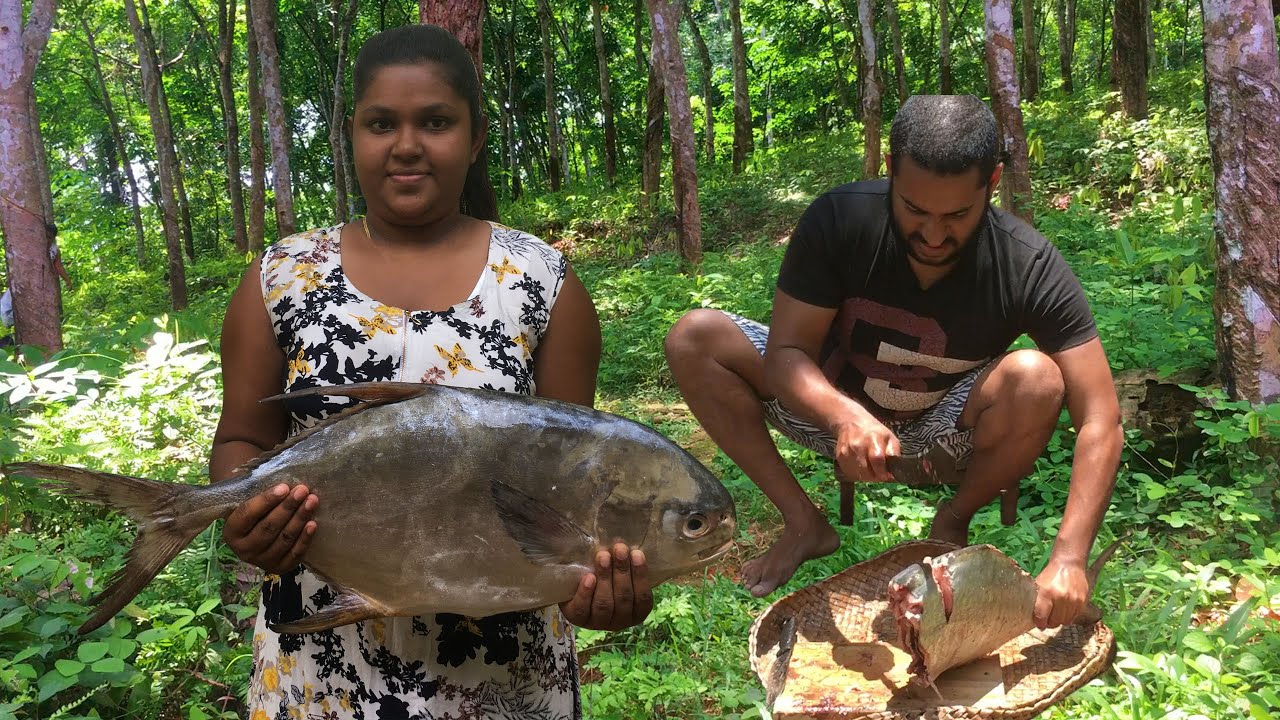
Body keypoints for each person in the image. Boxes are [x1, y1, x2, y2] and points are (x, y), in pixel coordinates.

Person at [210, 25, 650, 719]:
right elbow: (241, 438)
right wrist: (245, 513)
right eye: (382, 123)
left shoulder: (541, 280)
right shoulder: (282, 278)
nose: (407, 145)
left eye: (436, 122)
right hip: (318, 674)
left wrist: (602, 588)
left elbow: (574, 478)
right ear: (351, 134)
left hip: (504, 682)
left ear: (474, 139)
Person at [664, 95, 1122, 629]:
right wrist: (844, 416)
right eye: (914, 209)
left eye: (957, 215)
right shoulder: (839, 220)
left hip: (939, 428)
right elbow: (788, 355)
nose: (932, 235)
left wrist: (1069, 557)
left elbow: (1100, 418)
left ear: (992, 182)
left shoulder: (1026, 263)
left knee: (1038, 377)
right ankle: (804, 523)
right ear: (889, 172)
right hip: (823, 407)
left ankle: (951, 521)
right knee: (695, 337)